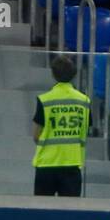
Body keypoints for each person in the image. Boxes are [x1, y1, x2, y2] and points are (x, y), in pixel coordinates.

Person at [32, 56, 89, 199]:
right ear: (74, 74)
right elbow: (84, 129)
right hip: (72, 164)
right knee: (70, 215)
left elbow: (36, 135)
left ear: (53, 74)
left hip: (46, 165)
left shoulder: (45, 100)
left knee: (42, 213)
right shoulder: (84, 101)